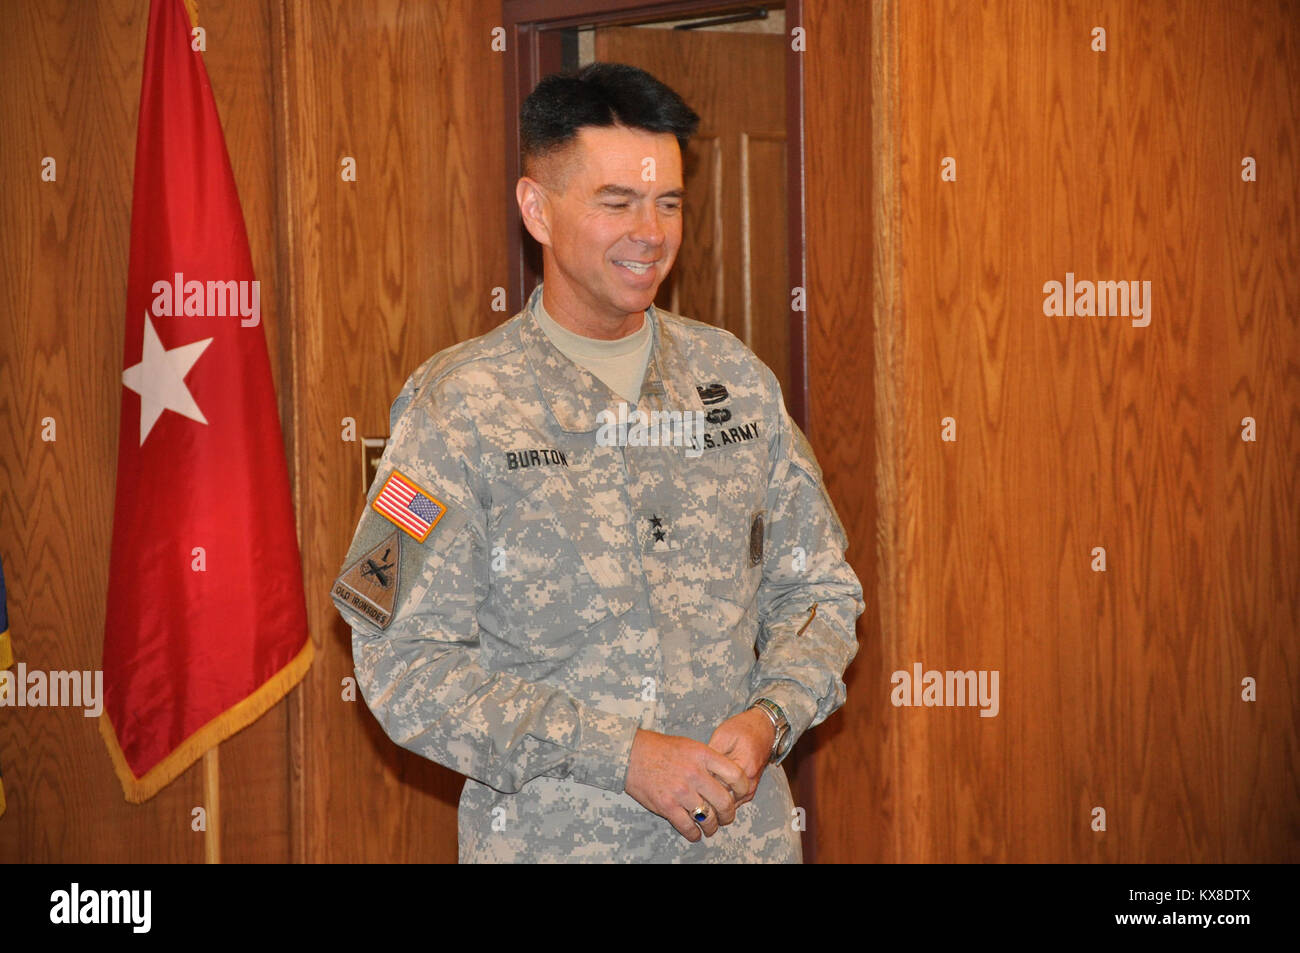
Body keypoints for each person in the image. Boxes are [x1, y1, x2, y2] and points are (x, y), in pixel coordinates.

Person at [331, 62, 863, 863]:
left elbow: (821, 591)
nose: (650, 231)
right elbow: (399, 661)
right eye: (617, 202)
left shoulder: (736, 385)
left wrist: (772, 717)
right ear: (536, 209)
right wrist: (620, 754)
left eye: (669, 202)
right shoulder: (457, 408)